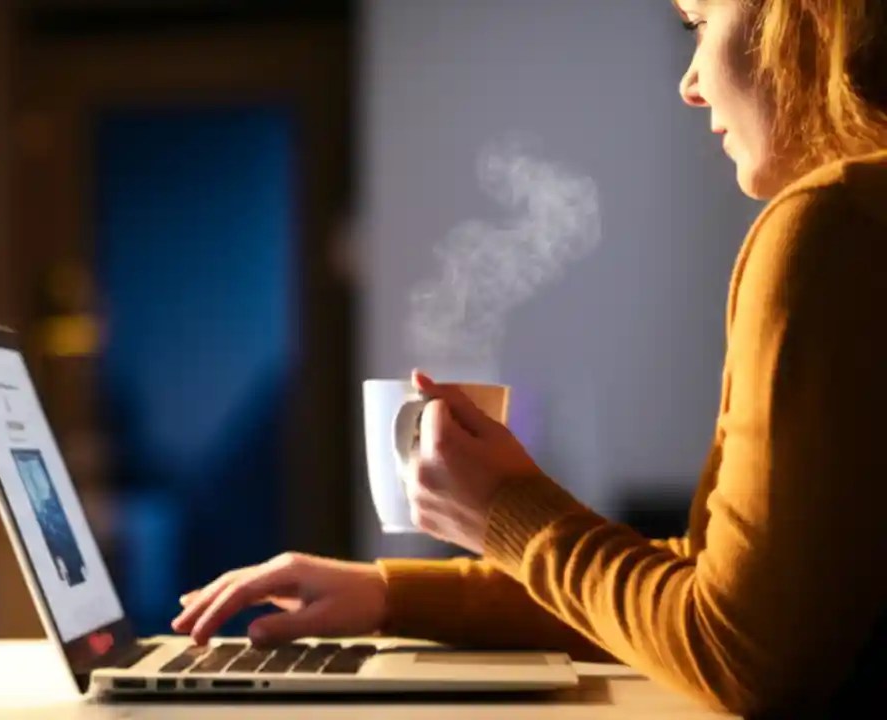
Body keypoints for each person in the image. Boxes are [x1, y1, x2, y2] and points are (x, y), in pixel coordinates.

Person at [169, 1, 887, 715]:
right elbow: (724, 587)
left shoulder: (827, 226)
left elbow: (742, 648)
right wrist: (392, 593)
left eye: (698, 23)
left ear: (809, 14)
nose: (691, 83)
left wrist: (504, 511)